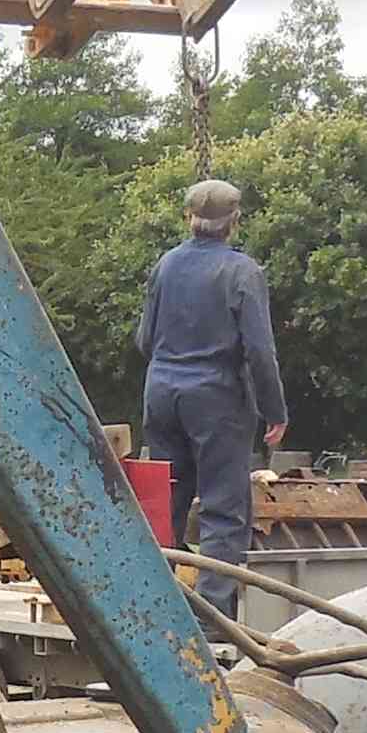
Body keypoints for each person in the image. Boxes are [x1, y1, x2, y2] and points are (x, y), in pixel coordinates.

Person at [134, 177, 285, 570]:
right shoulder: (242, 272)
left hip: (162, 391)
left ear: (189, 218)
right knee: (223, 509)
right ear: (235, 221)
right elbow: (259, 351)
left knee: (165, 506)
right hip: (217, 396)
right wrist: (275, 411)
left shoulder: (165, 265)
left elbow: (144, 340)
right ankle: (213, 616)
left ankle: (158, 607)